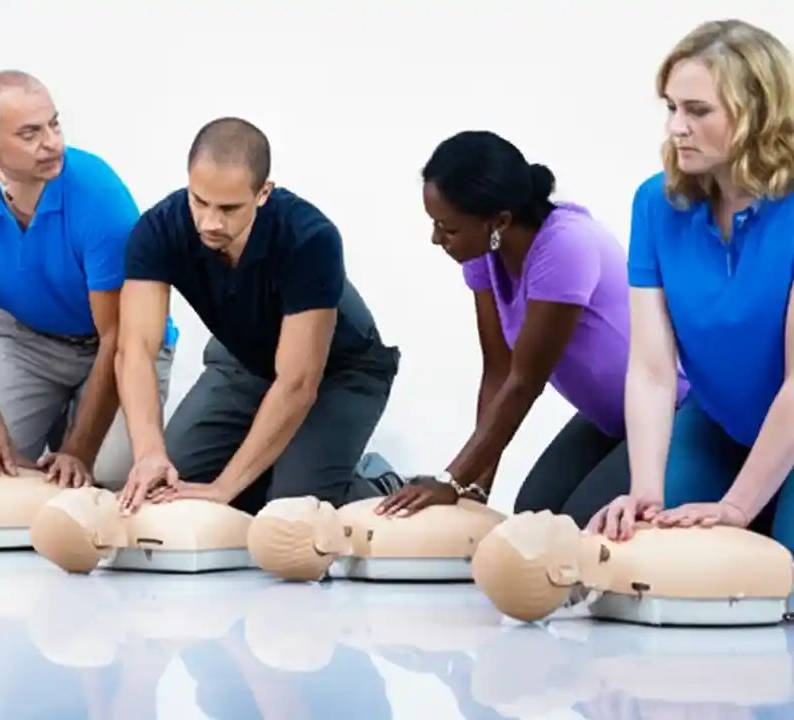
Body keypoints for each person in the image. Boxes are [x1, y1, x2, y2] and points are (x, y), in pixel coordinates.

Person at [376, 130, 690, 523]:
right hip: (609, 417)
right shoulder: (483, 253)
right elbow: (499, 369)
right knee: (534, 513)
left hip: (670, 410)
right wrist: (474, 488)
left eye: (448, 228)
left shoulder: (565, 247)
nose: (436, 239)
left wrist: (452, 479)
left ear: (500, 221)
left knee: (577, 522)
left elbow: (526, 382)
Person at [116, 116, 401, 515]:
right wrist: (148, 453)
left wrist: (224, 488)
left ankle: (380, 484)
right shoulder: (158, 228)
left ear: (263, 193)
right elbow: (135, 350)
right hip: (244, 364)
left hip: (342, 372)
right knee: (174, 486)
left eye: (229, 208)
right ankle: (287, 469)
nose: (210, 222)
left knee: (288, 509)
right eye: (200, 201)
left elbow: (298, 383)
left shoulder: (310, 238)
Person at [587, 20, 794, 553]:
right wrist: (646, 493)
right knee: (649, 547)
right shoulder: (656, 203)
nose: (677, 127)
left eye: (698, 111)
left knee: (783, 583)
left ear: (759, 113)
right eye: (671, 108)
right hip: (719, 417)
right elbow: (653, 372)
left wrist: (738, 507)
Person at [0, 69, 176, 489]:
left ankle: (68, 429)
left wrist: (80, 449)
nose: (52, 143)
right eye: (29, 133)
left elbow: (118, 333)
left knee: (106, 476)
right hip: (26, 343)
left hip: (115, 346)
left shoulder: (98, 192)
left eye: (54, 124)